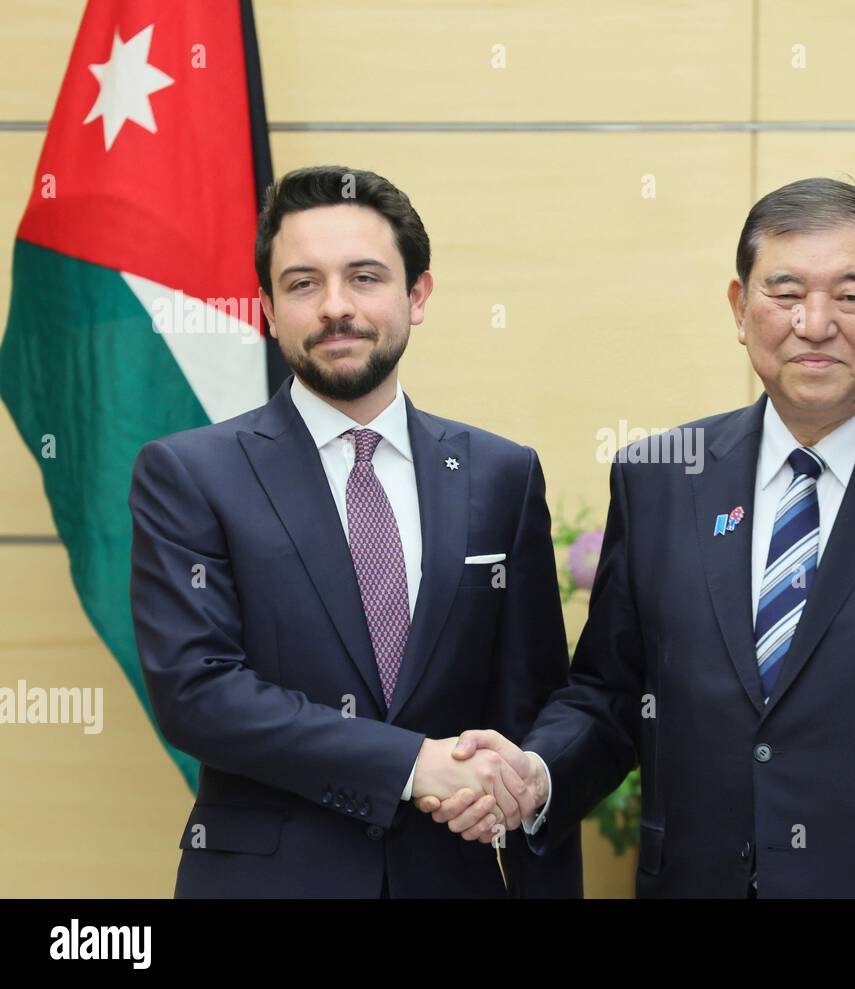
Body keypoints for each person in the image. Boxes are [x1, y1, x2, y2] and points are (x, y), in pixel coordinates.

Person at [426, 177, 855, 898]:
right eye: (786, 291)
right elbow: (610, 693)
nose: (815, 321)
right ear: (741, 310)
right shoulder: (661, 477)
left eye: (852, 294)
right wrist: (537, 770)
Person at [129, 165, 580, 898]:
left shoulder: (502, 474)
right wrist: (412, 763)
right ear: (268, 309)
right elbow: (199, 693)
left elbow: (530, 709)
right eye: (303, 283)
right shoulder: (189, 473)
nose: (335, 307)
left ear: (417, 294)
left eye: (364, 277)